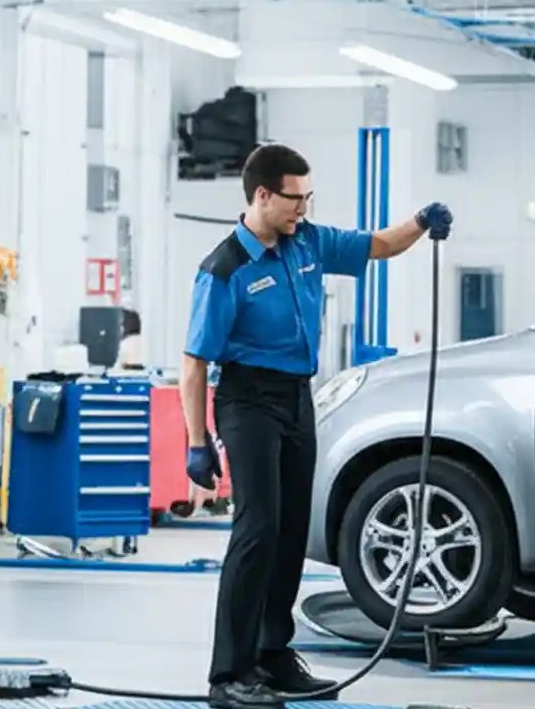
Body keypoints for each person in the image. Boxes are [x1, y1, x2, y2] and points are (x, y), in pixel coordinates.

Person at [179, 142, 453, 709]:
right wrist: (197, 442)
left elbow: (380, 245)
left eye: (308, 198)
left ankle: (273, 656)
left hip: (296, 399)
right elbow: (194, 363)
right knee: (256, 531)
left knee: (288, 532)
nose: (303, 208)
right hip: (247, 401)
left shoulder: (307, 242)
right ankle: (228, 673)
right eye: (294, 198)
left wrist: (421, 223)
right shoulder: (225, 268)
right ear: (261, 195)